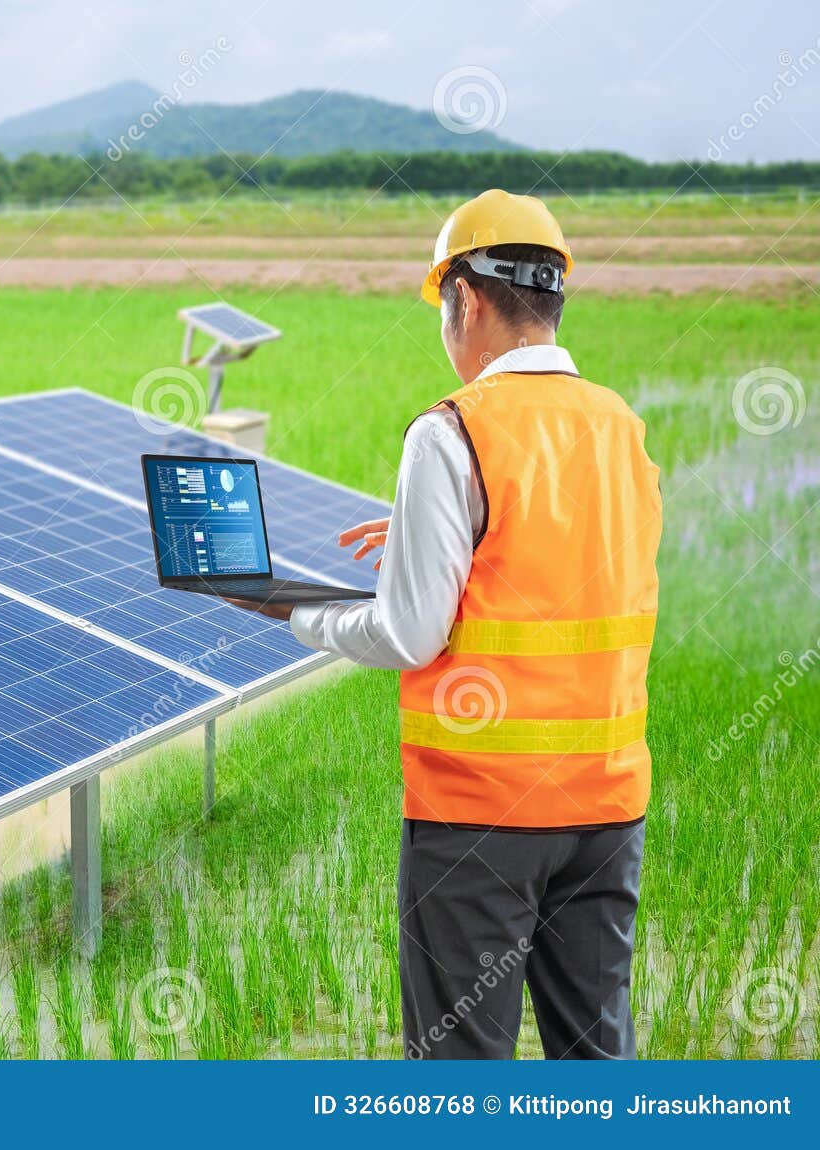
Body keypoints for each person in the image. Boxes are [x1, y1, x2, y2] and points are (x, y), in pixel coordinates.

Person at [228, 189, 662, 1059]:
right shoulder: (621, 426)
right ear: (551, 298)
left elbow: (408, 636)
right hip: (606, 807)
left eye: (442, 307)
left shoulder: (451, 432)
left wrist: (297, 611)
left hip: (480, 816)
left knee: (462, 1082)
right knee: (594, 1063)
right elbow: (574, 559)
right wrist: (452, 538)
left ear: (464, 298)